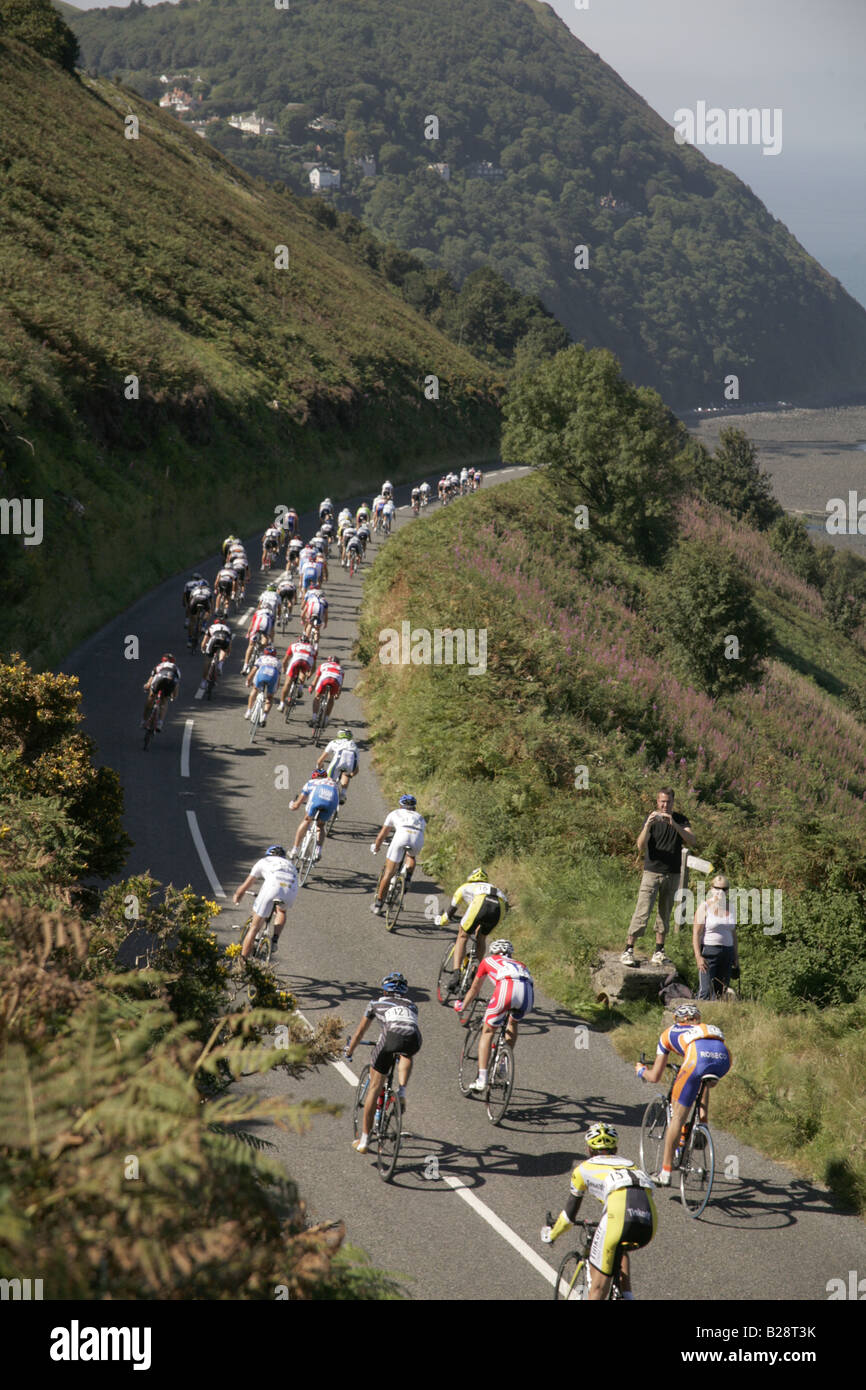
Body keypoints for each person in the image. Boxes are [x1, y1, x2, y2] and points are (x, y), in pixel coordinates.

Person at [541, 1123, 656, 1301]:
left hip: (618, 1218)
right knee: (619, 1247)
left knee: (597, 1289)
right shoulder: (632, 1165)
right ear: (616, 1149)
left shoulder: (582, 1169)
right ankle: (628, 1295)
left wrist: (552, 1234)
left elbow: (568, 1218)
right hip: (649, 1220)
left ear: (588, 1149)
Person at [635, 1003, 732, 1186]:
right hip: (723, 1058)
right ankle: (702, 1125)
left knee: (678, 1116)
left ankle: (665, 1173)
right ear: (697, 1018)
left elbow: (655, 1076)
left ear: (677, 1020)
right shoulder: (706, 1028)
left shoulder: (669, 1033)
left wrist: (641, 1071)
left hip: (697, 1057)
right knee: (703, 1082)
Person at [346, 973, 421, 1153]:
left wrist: (350, 1050)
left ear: (384, 990)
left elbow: (359, 1033)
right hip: (414, 1038)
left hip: (390, 1038)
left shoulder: (375, 1003)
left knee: (374, 1087)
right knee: (406, 1054)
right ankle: (401, 1090)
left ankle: (364, 1140)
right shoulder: (412, 1005)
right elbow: (403, 1027)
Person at [620, 788, 696, 967]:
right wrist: (648, 825)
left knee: (665, 913)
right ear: (657, 801)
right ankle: (628, 949)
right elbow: (640, 845)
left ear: (673, 801)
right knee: (642, 910)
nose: (665, 805)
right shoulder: (651, 819)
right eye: (662, 801)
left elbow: (692, 840)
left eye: (668, 801)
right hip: (652, 872)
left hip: (672, 874)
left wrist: (675, 825)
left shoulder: (680, 819)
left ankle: (659, 950)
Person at [453, 940, 533, 1091]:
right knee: (513, 1023)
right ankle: (502, 1062)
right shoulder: (521, 964)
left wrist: (462, 1006)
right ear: (511, 954)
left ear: (493, 952)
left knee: (488, 1032)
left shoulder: (487, 961)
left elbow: (475, 988)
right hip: (527, 994)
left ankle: (481, 1079)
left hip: (506, 989)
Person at [435, 869, 509, 983]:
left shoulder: (465, 887)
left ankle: (456, 974)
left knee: (462, 936)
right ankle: (474, 973)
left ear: (470, 879)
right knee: (481, 938)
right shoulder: (495, 888)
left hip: (480, 904)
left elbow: (450, 912)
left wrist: (441, 921)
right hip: (500, 908)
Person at [232, 844, 298, 960]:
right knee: (281, 911)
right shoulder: (290, 865)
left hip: (272, 887)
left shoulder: (264, 861)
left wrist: (238, 895)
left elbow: (246, 885)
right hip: (290, 889)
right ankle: (274, 940)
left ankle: (242, 963)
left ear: (268, 854)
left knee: (254, 928)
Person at [370, 794, 425, 915]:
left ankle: (378, 904)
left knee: (388, 874)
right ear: (414, 807)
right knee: (411, 856)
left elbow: (381, 835)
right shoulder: (420, 817)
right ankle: (408, 876)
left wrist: (376, 847)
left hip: (401, 837)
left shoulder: (395, 813)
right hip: (417, 839)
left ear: (401, 805)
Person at [693, 873, 739, 1000]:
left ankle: (717, 1017)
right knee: (706, 991)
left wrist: (736, 956)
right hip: (709, 952)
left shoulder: (731, 908)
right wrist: (698, 956)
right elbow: (696, 933)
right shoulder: (705, 907)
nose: (720, 892)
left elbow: (733, 934)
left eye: (724, 889)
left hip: (727, 953)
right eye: (717, 888)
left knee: (721, 991)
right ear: (711, 889)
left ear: (728, 890)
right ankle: (698, 1017)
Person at [288, 768, 339, 861]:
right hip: (332, 801)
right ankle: (318, 851)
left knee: (307, 820)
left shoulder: (311, 783)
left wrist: (292, 805)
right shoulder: (332, 782)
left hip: (317, 798)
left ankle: (294, 849)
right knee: (320, 825)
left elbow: (297, 805)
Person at [244, 643, 281, 725]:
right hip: (273, 675)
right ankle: (264, 716)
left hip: (262, 674)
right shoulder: (278, 662)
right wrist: (276, 688)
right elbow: (279, 677)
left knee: (254, 689)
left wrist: (248, 680)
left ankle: (248, 711)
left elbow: (253, 671)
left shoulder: (261, 658)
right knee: (270, 697)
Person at [317, 728, 358, 803]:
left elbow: (320, 760)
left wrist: (319, 768)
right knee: (346, 774)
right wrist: (350, 775)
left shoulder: (334, 742)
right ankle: (343, 794)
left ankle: (323, 799)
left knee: (328, 781)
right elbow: (356, 768)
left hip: (338, 760)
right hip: (350, 764)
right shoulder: (354, 745)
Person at [142, 653, 180, 729]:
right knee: (165, 701)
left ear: (163, 660)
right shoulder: (176, 668)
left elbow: (152, 678)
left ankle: (144, 721)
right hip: (171, 680)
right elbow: (176, 684)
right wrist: (174, 696)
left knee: (151, 698)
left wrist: (147, 686)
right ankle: (160, 722)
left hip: (160, 678)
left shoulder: (160, 665)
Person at [279, 636, 316, 709]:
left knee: (287, 683)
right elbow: (314, 667)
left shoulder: (294, 645)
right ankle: (300, 688)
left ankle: (282, 704)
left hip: (296, 662)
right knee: (304, 670)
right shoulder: (312, 648)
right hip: (306, 663)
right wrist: (310, 674)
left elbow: (284, 661)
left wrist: (284, 668)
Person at [309, 654, 343, 727]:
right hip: (335, 681)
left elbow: (316, 679)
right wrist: (338, 694)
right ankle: (326, 719)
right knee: (331, 698)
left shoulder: (323, 665)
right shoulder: (341, 669)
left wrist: (312, 686)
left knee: (317, 697)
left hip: (325, 679)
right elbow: (340, 684)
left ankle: (314, 718)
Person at [199, 618, 232, 688]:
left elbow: (204, 642)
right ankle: (220, 664)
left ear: (215, 623)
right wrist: (228, 653)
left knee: (208, 661)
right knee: (223, 649)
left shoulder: (211, 627)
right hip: (224, 638)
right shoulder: (228, 629)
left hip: (215, 638)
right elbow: (229, 645)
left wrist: (203, 649)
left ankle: (203, 681)